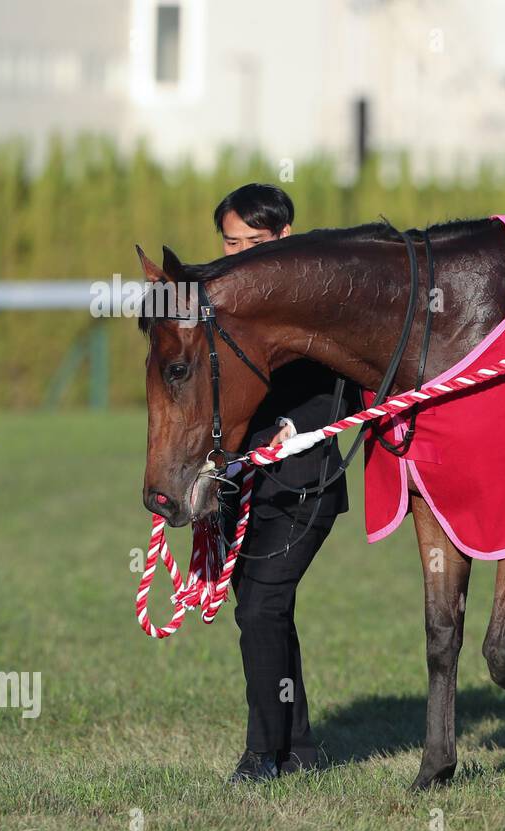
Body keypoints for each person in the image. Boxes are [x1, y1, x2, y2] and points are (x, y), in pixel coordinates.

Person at [213, 183, 354, 783]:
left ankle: (260, 755)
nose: (241, 254)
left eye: (255, 242)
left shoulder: (321, 304)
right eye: (231, 242)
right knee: (267, 610)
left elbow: (345, 390)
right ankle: (300, 749)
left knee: (262, 609)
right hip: (241, 487)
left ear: (284, 238)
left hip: (304, 484)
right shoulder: (220, 306)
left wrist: (293, 427)